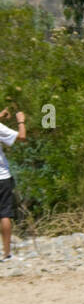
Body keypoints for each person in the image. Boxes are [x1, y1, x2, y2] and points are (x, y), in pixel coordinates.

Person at [0, 106, 27, 261]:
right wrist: (21, 121)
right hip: (2, 177)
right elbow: (22, 137)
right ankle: (7, 253)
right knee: (4, 215)